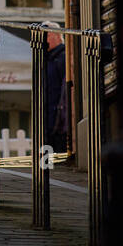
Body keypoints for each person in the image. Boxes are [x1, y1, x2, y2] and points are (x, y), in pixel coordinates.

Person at [43, 21, 69, 153]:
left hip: (58, 122)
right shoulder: (46, 59)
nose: (44, 40)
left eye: (47, 35)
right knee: (48, 161)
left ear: (57, 36)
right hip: (48, 119)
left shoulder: (62, 58)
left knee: (56, 157)